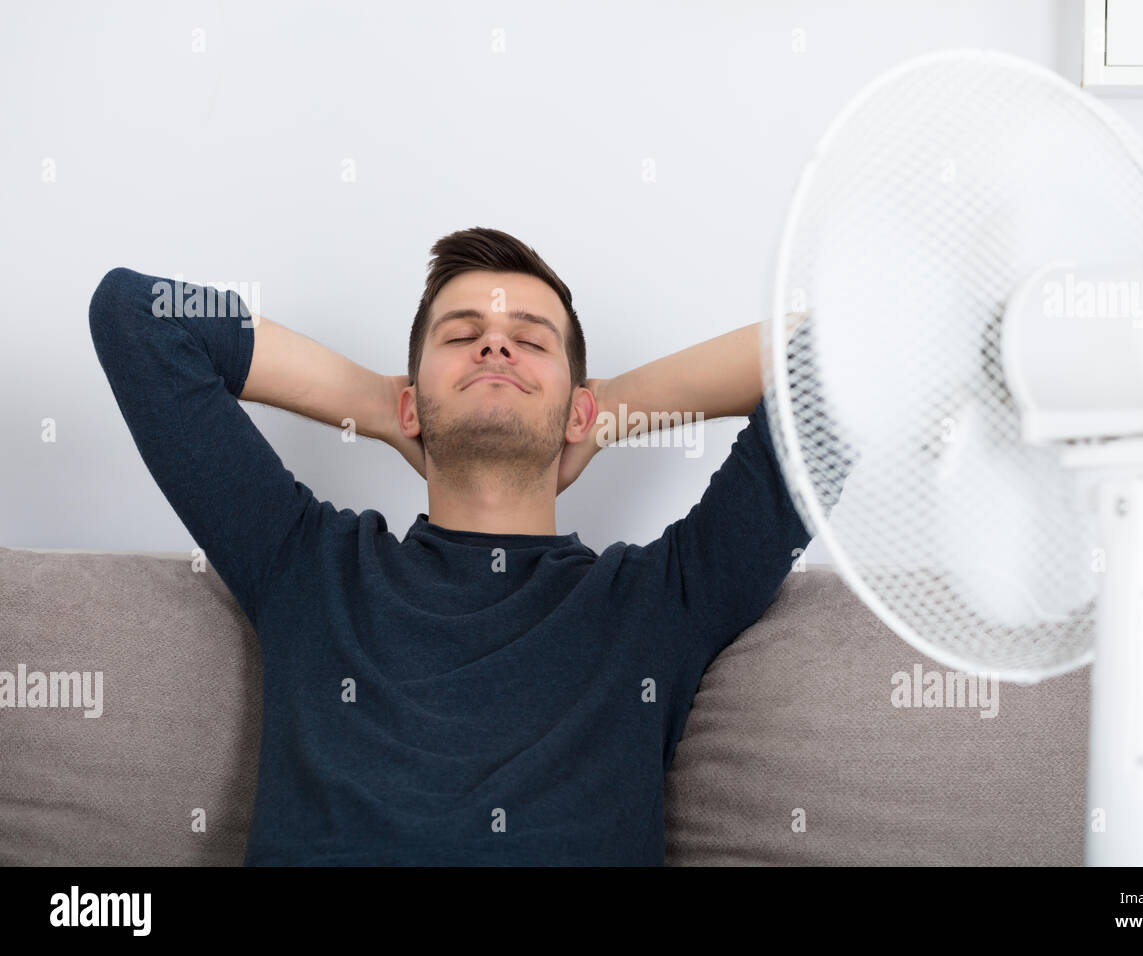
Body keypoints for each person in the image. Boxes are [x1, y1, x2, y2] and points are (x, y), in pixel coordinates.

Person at [88, 226, 826, 866]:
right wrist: (381, 406)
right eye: (462, 335)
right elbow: (138, 314)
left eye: (530, 339)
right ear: (412, 401)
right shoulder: (305, 564)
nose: (496, 342)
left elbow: (844, 352)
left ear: (578, 407)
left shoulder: (664, 601)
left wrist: (606, 414)